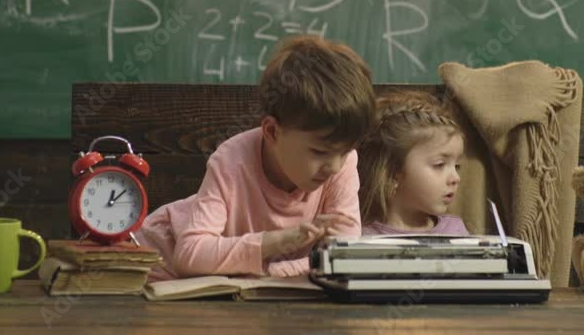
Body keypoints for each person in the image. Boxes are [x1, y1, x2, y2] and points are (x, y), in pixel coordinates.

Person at [138, 35, 375, 280]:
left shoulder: (342, 162)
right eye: (319, 152)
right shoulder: (232, 160)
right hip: (153, 259)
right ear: (272, 131)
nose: (334, 166)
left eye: (345, 151)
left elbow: (344, 258)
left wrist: (272, 271)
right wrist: (277, 242)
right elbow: (190, 255)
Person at [357, 91, 470, 236]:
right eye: (439, 165)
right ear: (393, 174)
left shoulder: (456, 231)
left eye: (457, 166)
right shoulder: (361, 238)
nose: (456, 178)